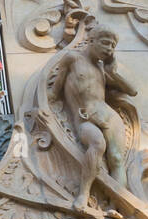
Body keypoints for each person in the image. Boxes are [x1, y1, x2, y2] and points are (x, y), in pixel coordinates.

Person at [49, 26, 136, 208]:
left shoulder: (102, 67)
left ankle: (116, 206)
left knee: (117, 158)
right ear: (91, 40)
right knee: (97, 144)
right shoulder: (72, 59)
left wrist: (112, 73)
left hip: (109, 115)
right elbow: (54, 92)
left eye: (112, 46)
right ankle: (83, 194)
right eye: (105, 43)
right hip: (85, 118)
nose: (109, 49)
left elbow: (132, 90)